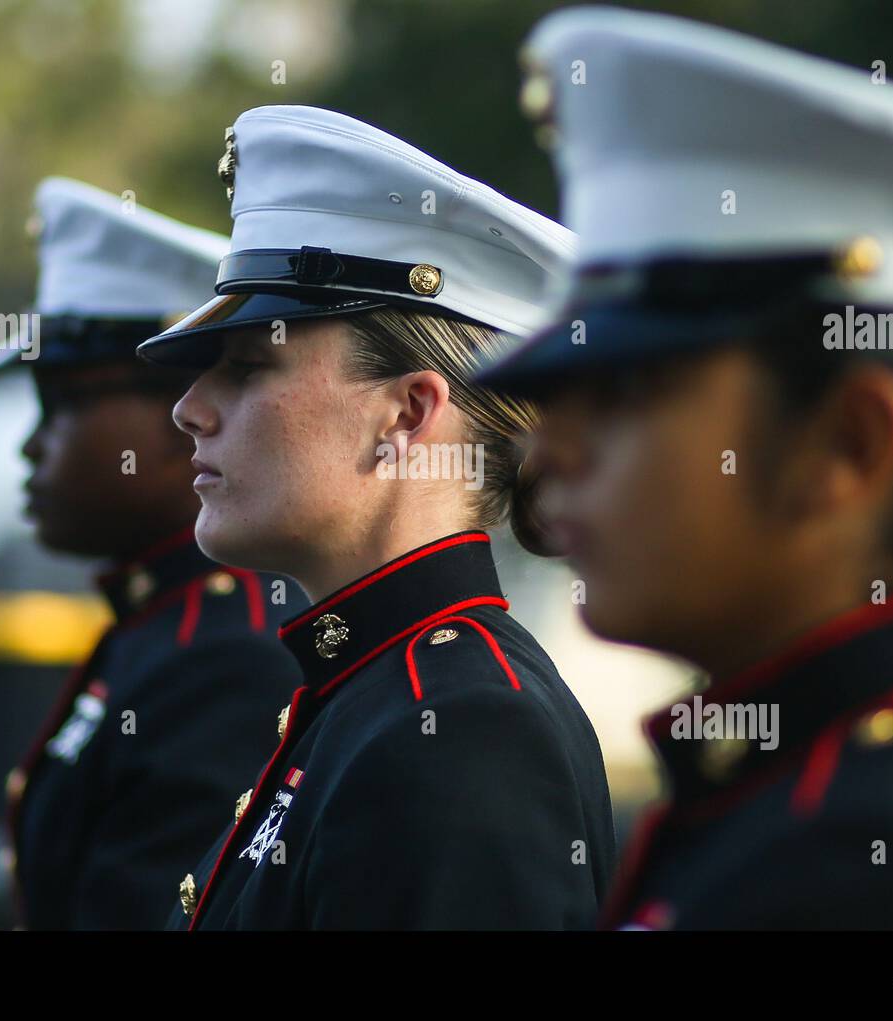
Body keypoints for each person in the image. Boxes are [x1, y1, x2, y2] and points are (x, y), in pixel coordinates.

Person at [476, 8, 893, 929]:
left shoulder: (884, 873)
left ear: (850, 445)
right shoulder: (794, 800)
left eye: (626, 391)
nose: (547, 449)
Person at [137, 106, 616, 930]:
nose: (189, 408)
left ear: (407, 414)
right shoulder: (378, 693)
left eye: (248, 367)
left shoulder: (463, 731)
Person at [0, 177, 305, 929]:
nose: (31, 446)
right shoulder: (162, 624)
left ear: (182, 409)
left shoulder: (226, 657)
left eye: (60, 404)